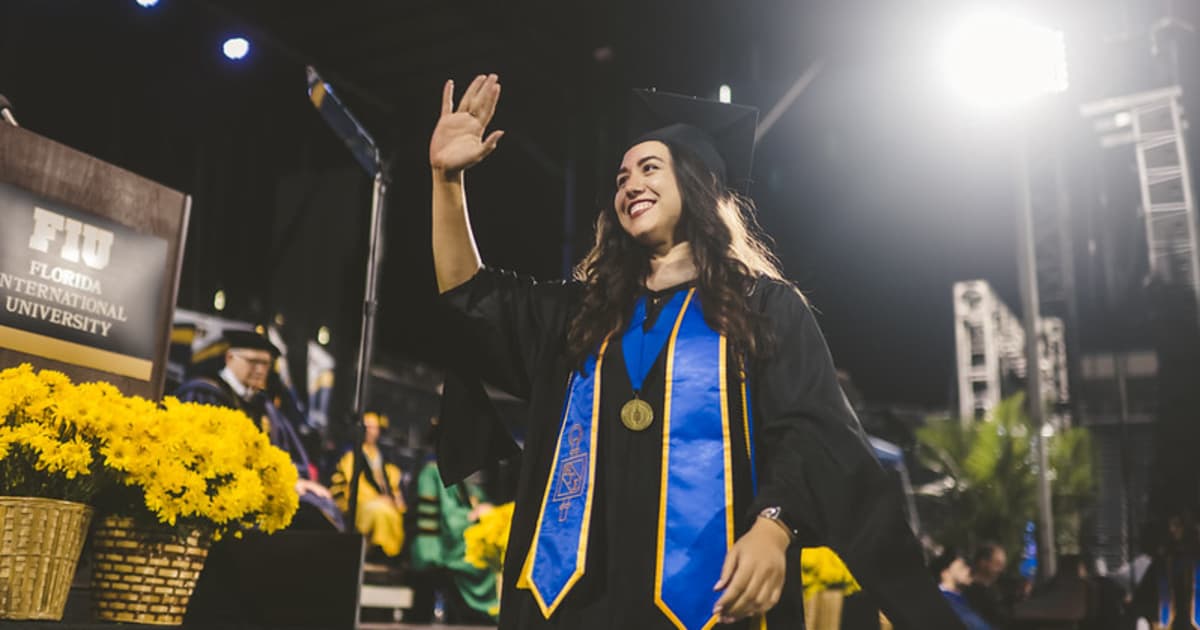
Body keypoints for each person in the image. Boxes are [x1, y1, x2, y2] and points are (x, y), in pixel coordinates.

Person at [428, 74, 963, 629]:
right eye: (620, 177)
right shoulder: (582, 313)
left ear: (698, 182)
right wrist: (447, 181)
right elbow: (472, 302)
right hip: (576, 606)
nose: (630, 184)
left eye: (649, 168)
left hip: (717, 603)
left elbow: (813, 435)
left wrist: (774, 525)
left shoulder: (763, 308)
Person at [175, 329, 343, 531]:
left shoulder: (265, 407)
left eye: (265, 364)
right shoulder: (202, 394)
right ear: (230, 358)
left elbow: (286, 452)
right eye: (253, 362)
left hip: (262, 489)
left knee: (317, 504)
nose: (260, 370)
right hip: (217, 491)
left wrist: (296, 479)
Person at [408, 452, 499, 624]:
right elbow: (448, 520)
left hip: (457, 536)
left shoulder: (461, 477)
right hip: (438, 546)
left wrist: (486, 510)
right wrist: (475, 515)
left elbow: (480, 502)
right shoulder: (432, 472)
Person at [330, 412, 406, 559]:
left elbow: (392, 485)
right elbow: (350, 487)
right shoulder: (350, 455)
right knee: (380, 511)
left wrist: (394, 499)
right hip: (361, 503)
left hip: (383, 502)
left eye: (373, 427)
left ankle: (385, 555)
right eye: (366, 427)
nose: (369, 431)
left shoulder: (383, 457)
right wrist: (377, 499)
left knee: (393, 513)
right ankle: (373, 553)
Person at [1132, 510, 1200, 629]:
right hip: (1170, 620)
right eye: (1171, 525)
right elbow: (1150, 589)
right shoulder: (1165, 558)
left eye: (1177, 525)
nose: (1173, 529)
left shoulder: (1193, 555)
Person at [933, 549, 993, 630]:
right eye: (961, 568)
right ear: (945, 574)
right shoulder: (947, 603)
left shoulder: (960, 597)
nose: (968, 570)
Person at [963, 543, 1012, 627]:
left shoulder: (995, 589)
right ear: (983, 563)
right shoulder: (968, 593)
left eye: (1003, 565)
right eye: (997, 564)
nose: (1001, 570)